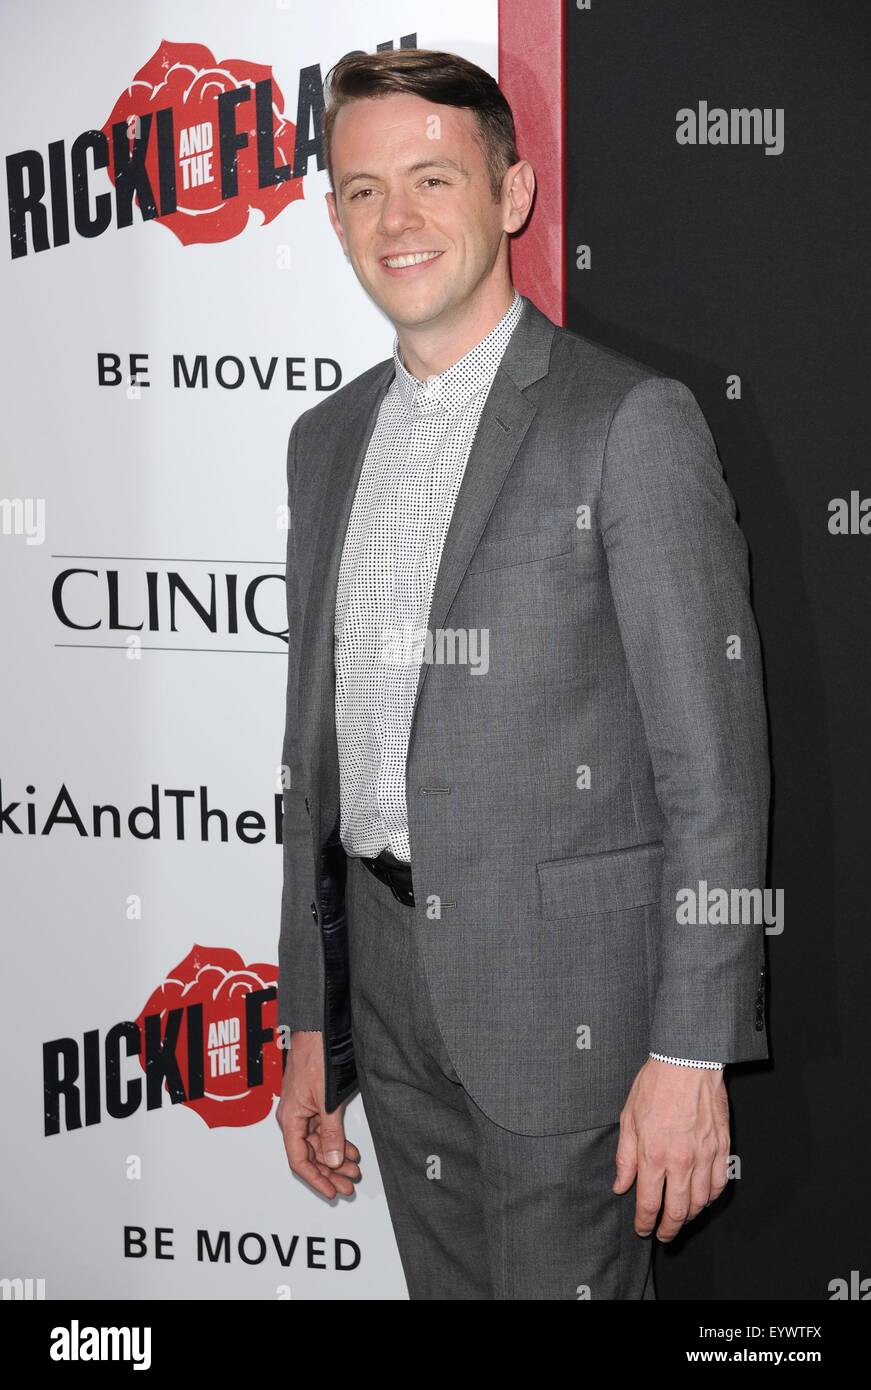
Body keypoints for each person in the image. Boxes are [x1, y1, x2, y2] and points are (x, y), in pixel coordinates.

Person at [275, 47, 770, 1300]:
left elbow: (713, 772)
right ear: (334, 213)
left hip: (571, 1008)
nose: (396, 220)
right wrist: (307, 1017)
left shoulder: (626, 421)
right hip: (383, 989)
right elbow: (314, 761)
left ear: (511, 194)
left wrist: (691, 1050)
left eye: (432, 179)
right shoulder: (324, 441)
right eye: (362, 188)